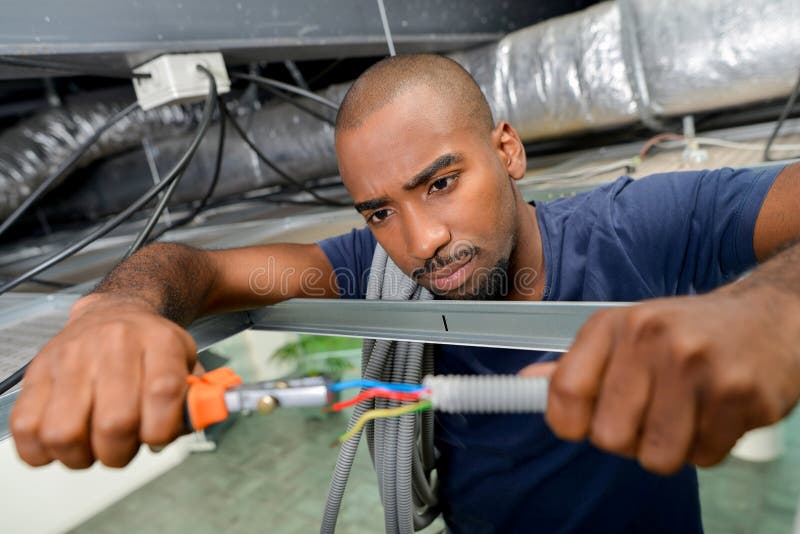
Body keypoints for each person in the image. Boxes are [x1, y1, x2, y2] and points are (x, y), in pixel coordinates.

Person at [9, 54, 800, 532]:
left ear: (508, 151)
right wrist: (116, 309)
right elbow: (200, 270)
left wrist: (767, 308)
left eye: (441, 182)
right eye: (380, 211)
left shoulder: (636, 229)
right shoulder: (369, 267)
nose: (419, 242)